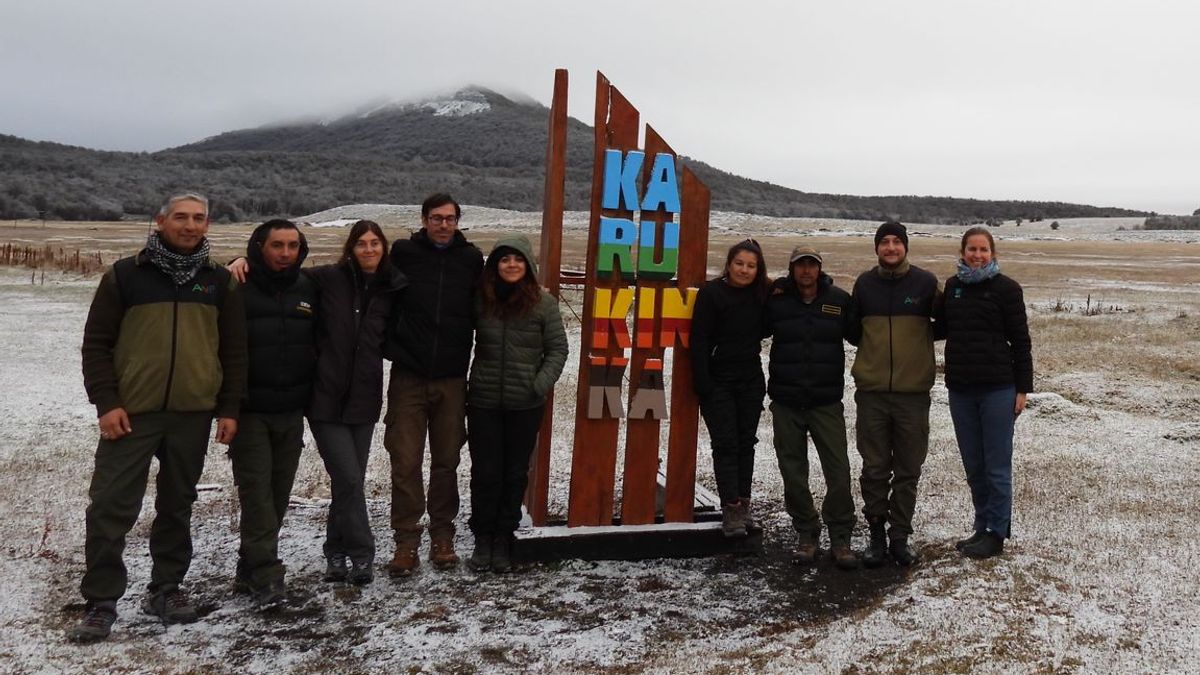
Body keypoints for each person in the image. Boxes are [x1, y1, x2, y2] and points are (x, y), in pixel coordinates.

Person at [70, 193, 247, 643]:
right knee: (111, 505)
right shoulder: (127, 275)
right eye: (181, 218)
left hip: (192, 414)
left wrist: (228, 408)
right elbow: (96, 345)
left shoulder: (217, 282)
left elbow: (234, 352)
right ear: (161, 220)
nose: (190, 226)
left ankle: (166, 588)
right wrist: (106, 403)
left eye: (199, 218)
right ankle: (102, 600)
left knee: (177, 505)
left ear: (208, 225)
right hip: (132, 414)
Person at [382, 193, 483, 576]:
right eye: (437, 218)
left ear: (458, 222)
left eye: (451, 219)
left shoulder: (470, 259)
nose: (444, 225)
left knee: (447, 461)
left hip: (453, 377)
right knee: (404, 461)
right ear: (423, 220)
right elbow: (370, 280)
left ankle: (443, 536)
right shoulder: (405, 253)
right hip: (409, 375)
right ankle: (406, 541)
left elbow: (494, 294)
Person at [306, 221, 407, 585]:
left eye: (375, 243)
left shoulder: (392, 288)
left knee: (347, 482)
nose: (368, 249)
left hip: (364, 399)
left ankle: (335, 552)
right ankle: (363, 554)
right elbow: (282, 276)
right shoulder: (328, 278)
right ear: (351, 248)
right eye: (361, 243)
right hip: (325, 399)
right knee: (349, 479)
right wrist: (242, 261)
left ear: (384, 248)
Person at [464, 235, 568, 573]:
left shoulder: (543, 304)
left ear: (528, 265)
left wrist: (538, 385)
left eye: (518, 259)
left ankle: (504, 539)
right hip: (484, 402)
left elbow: (558, 349)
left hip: (525, 405)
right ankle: (483, 538)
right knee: (485, 473)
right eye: (504, 259)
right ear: (495, 265)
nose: (511, 265)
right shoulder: (481, 300)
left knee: (513, 473)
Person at [228, 219, 318, 608]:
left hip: (291, 410)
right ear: (259, 247)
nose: (285, 253)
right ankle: (267, 576)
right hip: (250, 412)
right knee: (258, 495)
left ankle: (249, 567)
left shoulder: (308, 288)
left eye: (292, 246)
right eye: (276, 245)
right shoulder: (236, 286)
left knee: (278, 494)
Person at [849, 221, 941, 567]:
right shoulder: (864, 284)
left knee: (908, 469)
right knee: (874, 468)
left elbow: (944, 325)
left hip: (912, 395)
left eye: (896, 242)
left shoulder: (926, 283)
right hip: (871, 394)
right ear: (876, 248)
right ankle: (875, 532)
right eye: (884, 242)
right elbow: (855, 331)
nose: (890, 248)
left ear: (905, 247)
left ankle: (899, 536)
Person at [937, 227, 1032, 559]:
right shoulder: (952, 287)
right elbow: (939, 327)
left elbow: (1021, 342)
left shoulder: (1007, 290)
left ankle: (996, 532)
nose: (977, 255)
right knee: (974, 464)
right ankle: (981, 527)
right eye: (971, 249)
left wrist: (1022, 389)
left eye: (983, 250)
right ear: (962, 252)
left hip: (997, 390)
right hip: (961, 391)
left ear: (993, 254)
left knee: (996, 465)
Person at [763, 245, 859, 569]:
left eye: (812, 264)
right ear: (791, 269)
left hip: (826, 403)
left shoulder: (839, 300)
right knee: (793, 473)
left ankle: (841, 536)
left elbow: (862, 335)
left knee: (839, 472)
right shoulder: (776, 300)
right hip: (787, 403)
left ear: (820, 268)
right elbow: (752, 324)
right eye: (800, 265)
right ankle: (806, 532)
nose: (806, 270)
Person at [691, 239, 769, 537]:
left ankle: (745, 507)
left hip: (750, 380)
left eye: (751, 265)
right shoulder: (712, 294)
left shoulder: (762, 294)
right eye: (740, 263)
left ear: (758, 269)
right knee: (726, 445)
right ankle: (731, 510)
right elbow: (699, 340)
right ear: (729, 264)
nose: (744, 270)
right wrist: (704, 384)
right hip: (718, 382)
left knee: (746, 444)